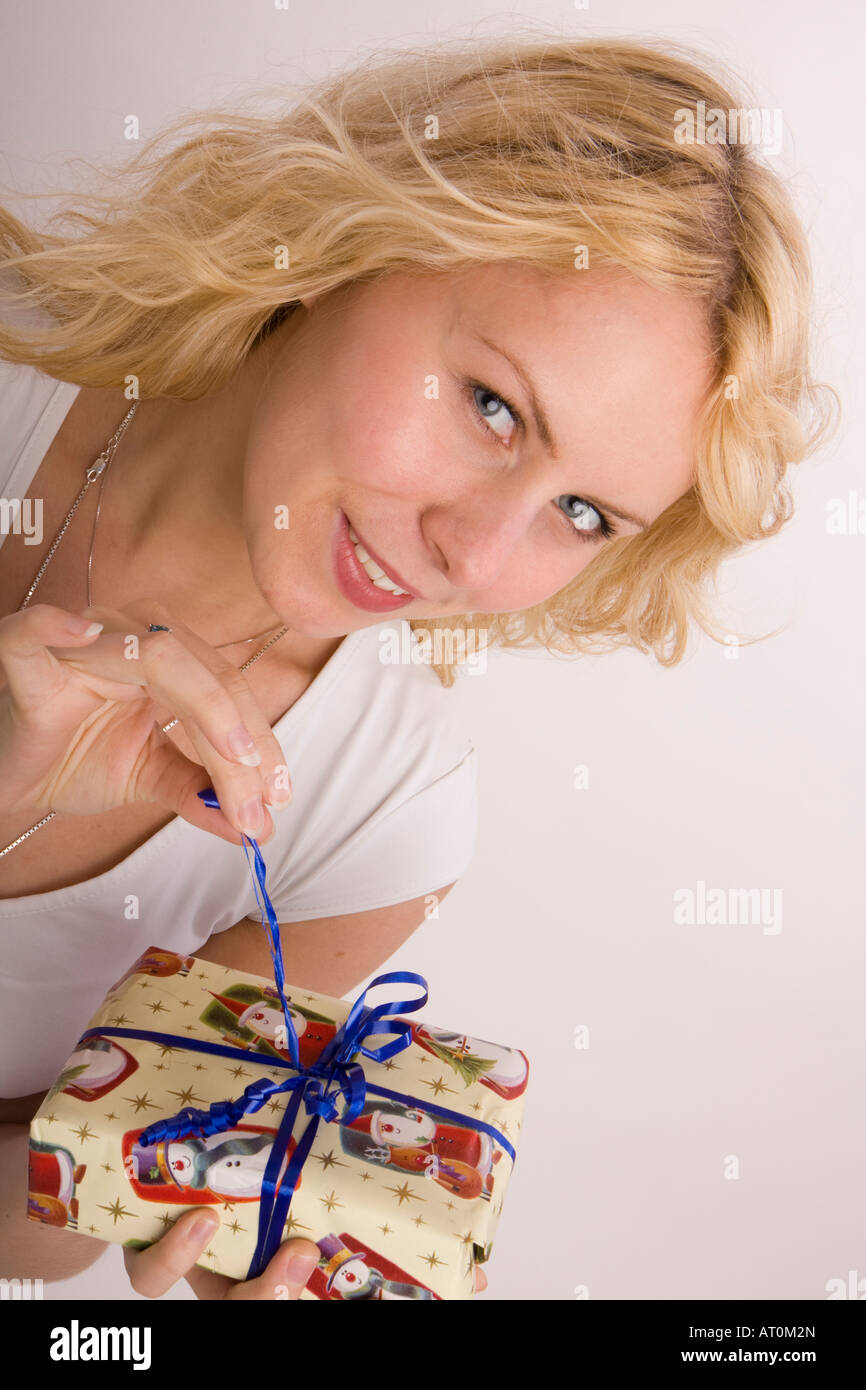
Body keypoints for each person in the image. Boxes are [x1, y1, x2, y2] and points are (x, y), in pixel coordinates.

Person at [0, 34, 835, 1300]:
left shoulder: (381, 815)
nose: (475, 554)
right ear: (358, 234)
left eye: (581, 515)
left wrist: (228, 1196)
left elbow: (45, 1217)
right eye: (493, 406)